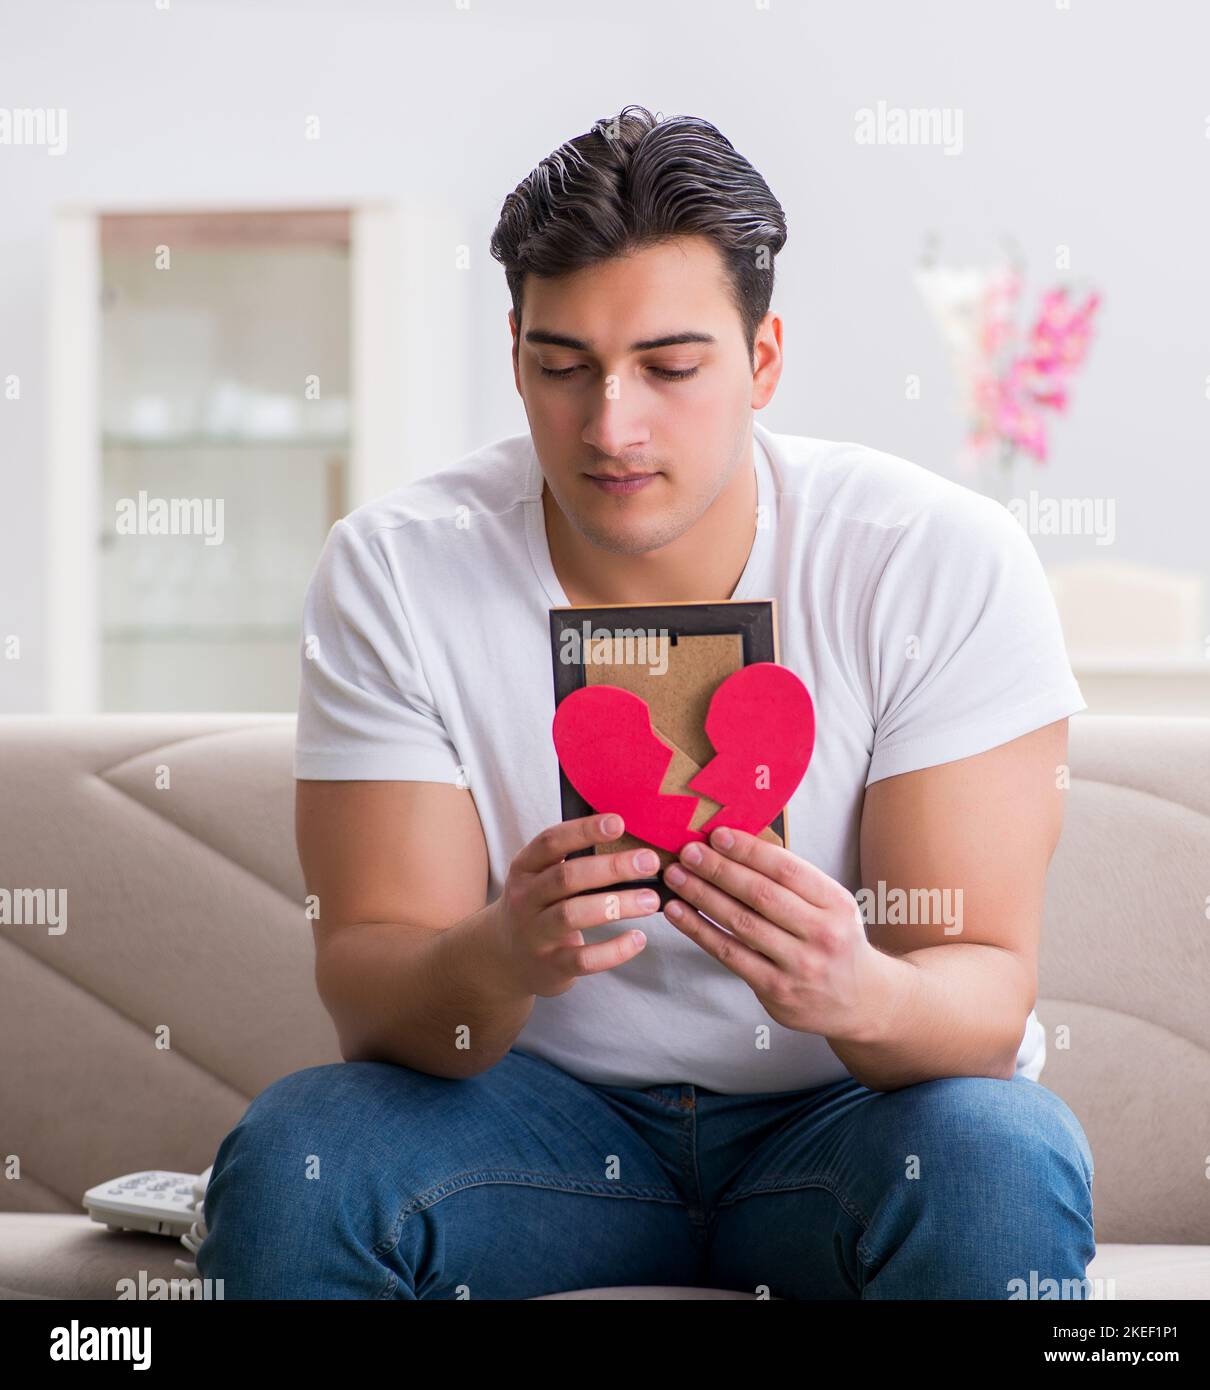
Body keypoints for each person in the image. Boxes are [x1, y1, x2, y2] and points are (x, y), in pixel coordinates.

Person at [196, 104, 1095, 1300]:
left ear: (762, 358)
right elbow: (374, 994)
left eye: (670, 368)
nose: (610, 425)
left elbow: (980, 993)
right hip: (536, 1119)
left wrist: (857, 985)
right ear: (513, 352)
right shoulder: (399, 569)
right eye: (561, 367)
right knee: (301, 1154)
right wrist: (500, 950)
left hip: (849, 1111)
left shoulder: (931, 559)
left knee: (998, 1159)